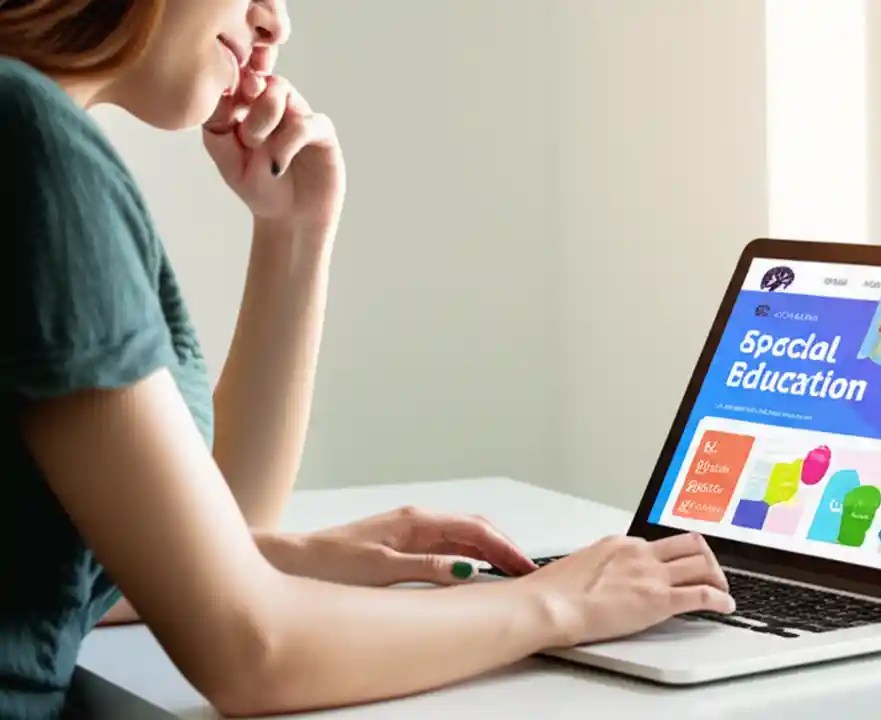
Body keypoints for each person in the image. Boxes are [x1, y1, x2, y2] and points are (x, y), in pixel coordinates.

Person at [0, 1, 735, 717]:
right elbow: (253, 652)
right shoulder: (33, 143)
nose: (274, 22)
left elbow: (198, 523)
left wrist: (294, 231)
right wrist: (564, 599)